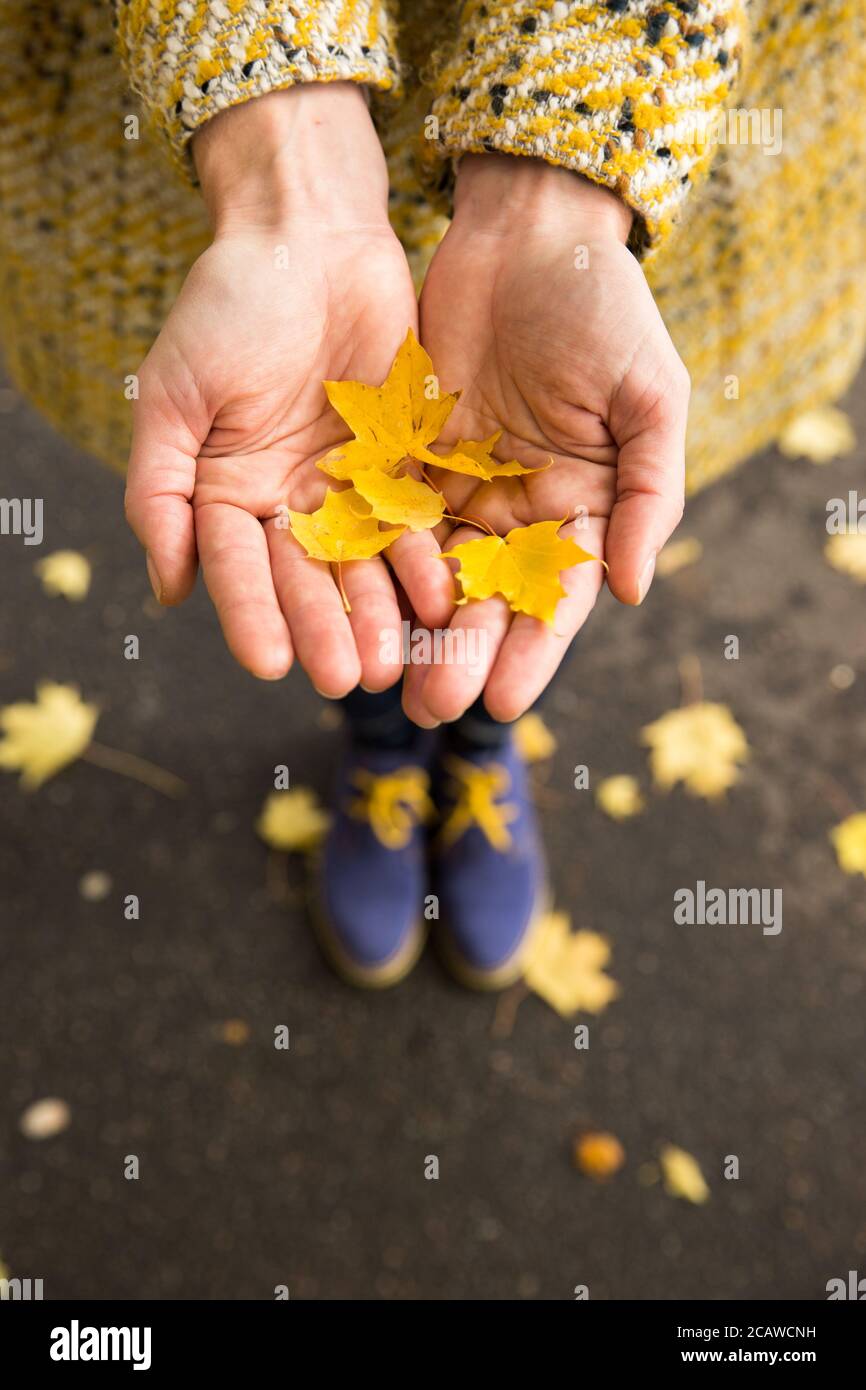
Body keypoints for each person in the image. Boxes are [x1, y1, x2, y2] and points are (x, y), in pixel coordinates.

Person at [2, 1, 864, 987]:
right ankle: (380, 754)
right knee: (326, 568)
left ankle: (480, 749)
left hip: (663, 112)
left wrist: (566, 166)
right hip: (191, 142)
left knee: (560, 505)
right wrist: (282, 145)